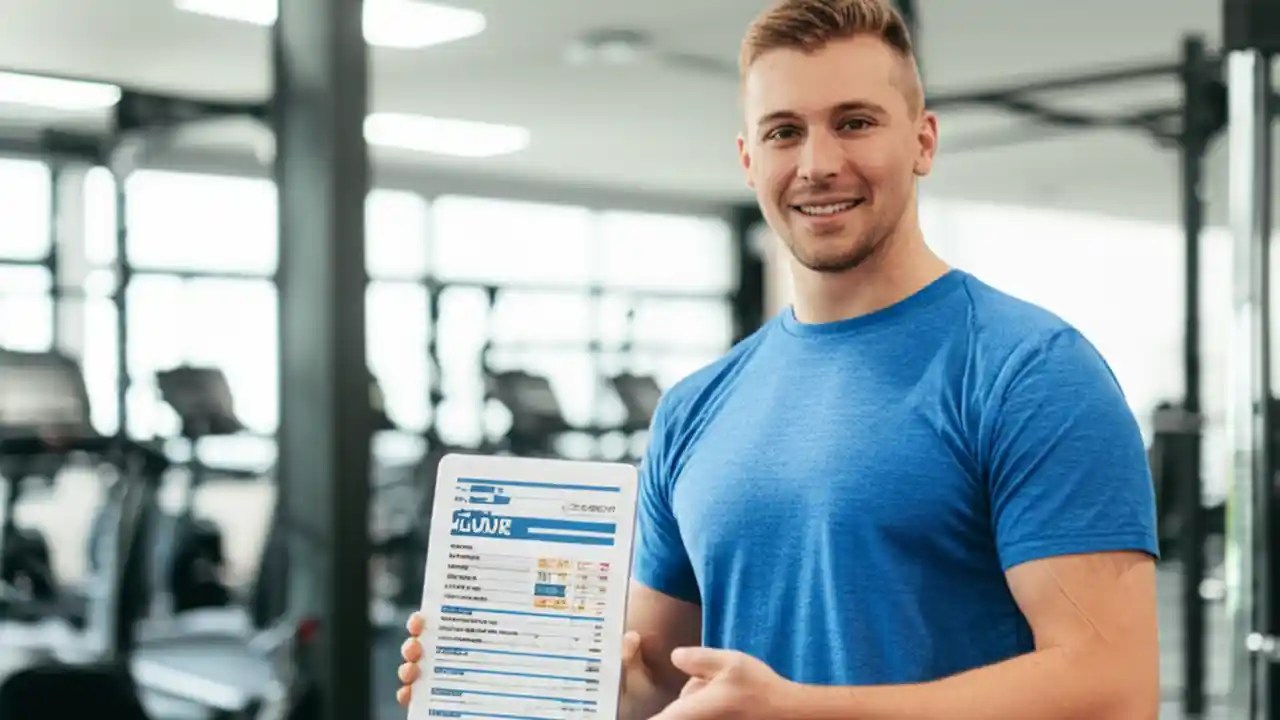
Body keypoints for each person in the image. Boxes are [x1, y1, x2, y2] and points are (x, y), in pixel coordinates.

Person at [397, 0, 1161, 717]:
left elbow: (1111, 689)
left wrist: (799, 710)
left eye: (855, 122)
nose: (818, 163)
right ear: (747, 158)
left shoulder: (1031, 372)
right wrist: (509, 669)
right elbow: (664, 676)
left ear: (923, 140)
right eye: (783, 131)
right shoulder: (695, 407)